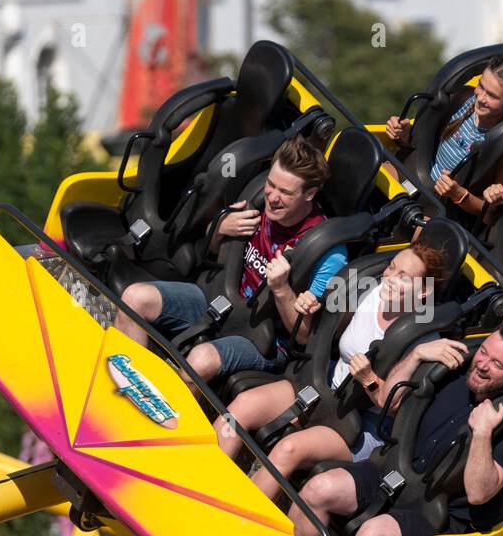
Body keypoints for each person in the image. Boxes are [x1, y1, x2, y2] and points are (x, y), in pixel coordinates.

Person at [293, 313, 503, 536]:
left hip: (436, 513)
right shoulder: (453, 366)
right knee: (319, 489)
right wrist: (416, 356)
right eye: (485, 352)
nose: (483, 365)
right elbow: (387, 402)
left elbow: (479, 493)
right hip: (394, 472)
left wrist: (482, 434)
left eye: (497, 364)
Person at [213, 242, 446, 499]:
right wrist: (311, 307)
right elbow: (321, 330)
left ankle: (239, 517)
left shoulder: (422, 339)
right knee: (238, 410)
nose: (390, 278)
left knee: (287, 449)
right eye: (392, 267)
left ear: (424, 291)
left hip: (360, 423)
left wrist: (369, 379)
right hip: (326, 389)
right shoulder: (373, 291)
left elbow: (390, 407)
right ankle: (204, 483)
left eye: (404, 278)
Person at [114, 137, 347, 383]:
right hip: (219, 300)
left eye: (285, 192)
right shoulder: (258, 202)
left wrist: (281, 289)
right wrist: (218, 230)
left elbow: (302, 336)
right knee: (134, 298)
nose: (273, 197)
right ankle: (127, 385)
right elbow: (212, 254)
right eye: (271, 184)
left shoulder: (328, 253)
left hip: (265, 338)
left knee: (200, 360)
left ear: (310, 194)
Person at [385, 55, 503, 218]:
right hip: (418, 176)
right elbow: (424, 140)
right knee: (370, 172)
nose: (481, 98)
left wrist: (458, 194)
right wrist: (404, 134)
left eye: (492, 96)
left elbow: (490, 215)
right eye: (481, 86)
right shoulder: (463, 100)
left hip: (443, 207)